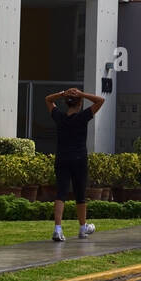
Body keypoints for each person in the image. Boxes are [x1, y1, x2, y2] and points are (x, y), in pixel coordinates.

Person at [44, 86, 105, 242]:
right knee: (80, 194)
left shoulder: (59, 117)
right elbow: (101, 100)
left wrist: (62, 93)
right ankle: (82, 227)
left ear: (67, 103)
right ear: (79, 104)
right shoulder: (83, 117)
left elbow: (48, 100)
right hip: (79, 159)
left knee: (61, 193)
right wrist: (82, 94)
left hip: (62, 158)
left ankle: (58, 229)